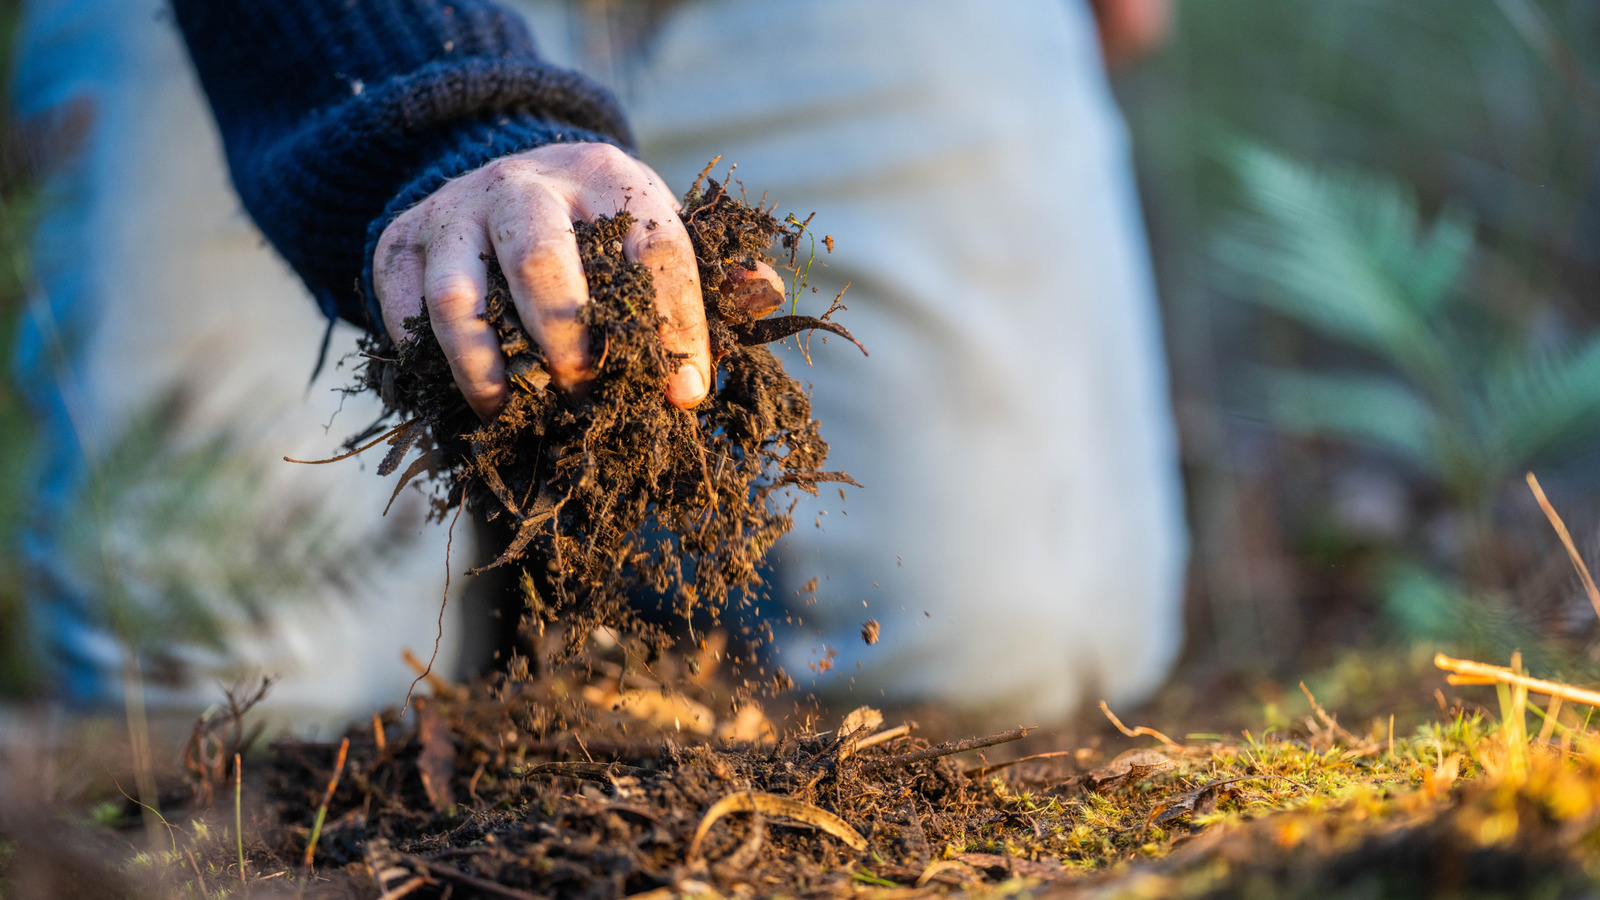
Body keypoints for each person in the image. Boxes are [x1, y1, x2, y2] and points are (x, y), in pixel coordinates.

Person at [16, 0, 1185, 725]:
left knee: (1006, 659)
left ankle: (608, 642)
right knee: (217, 684)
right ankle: (491, 648)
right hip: (282, 29)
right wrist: (438, 120)